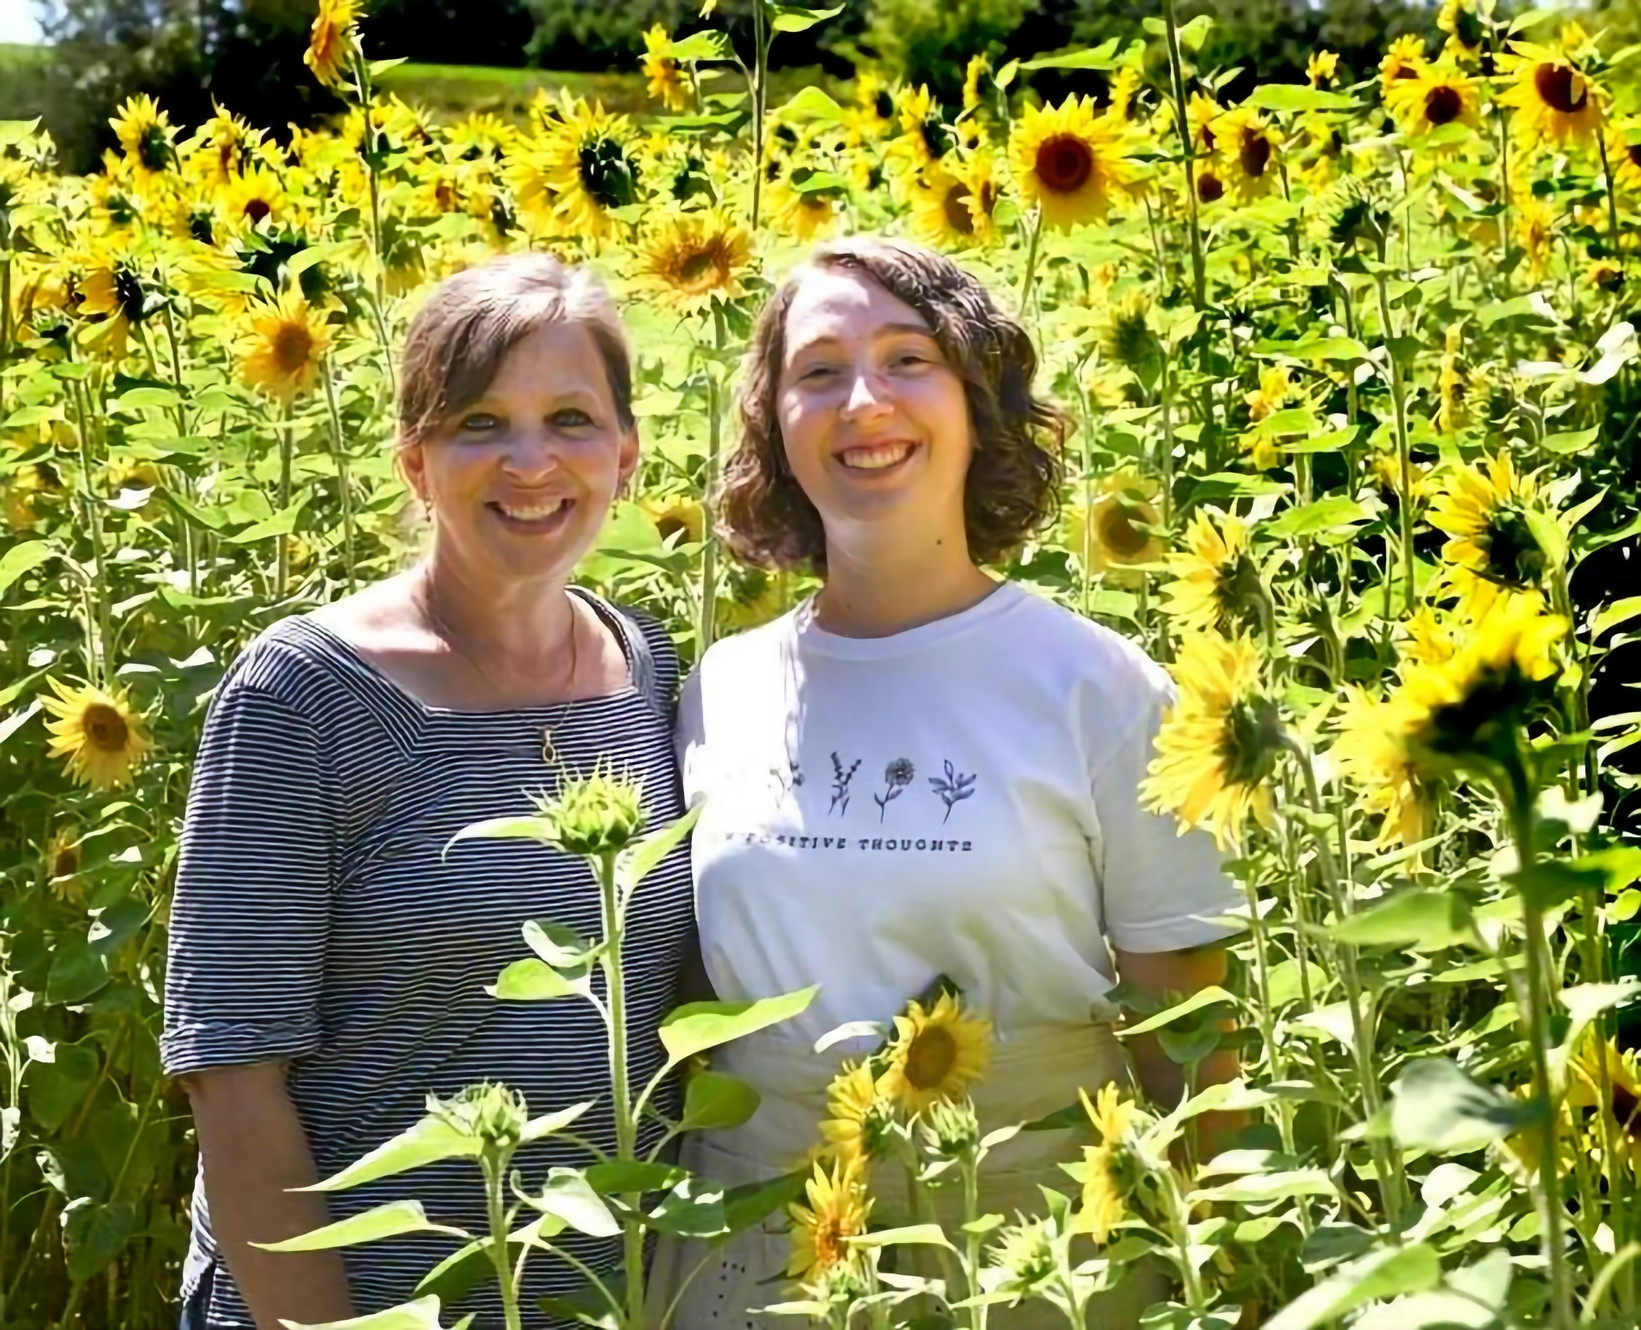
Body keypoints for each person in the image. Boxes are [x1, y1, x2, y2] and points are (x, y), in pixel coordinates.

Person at [668, 237, 1243, 1329]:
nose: (864, 401)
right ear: (774, 423)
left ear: (977, 402)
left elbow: (1189, 1043)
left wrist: (1228, 1285)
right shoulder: (720, 688)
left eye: (908, 359)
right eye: (819, 371)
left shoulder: (1099, 687)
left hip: (1035, 1253)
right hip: (760, 1247)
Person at [161, 254, 693, 1329]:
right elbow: (231, 1066)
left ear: (626, 452)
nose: (531, 461)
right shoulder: (304, 694)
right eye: (480, 424)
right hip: (359, 1300)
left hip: (599, 1298)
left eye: (571, 419)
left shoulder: (646, 668)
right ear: (416, 460)